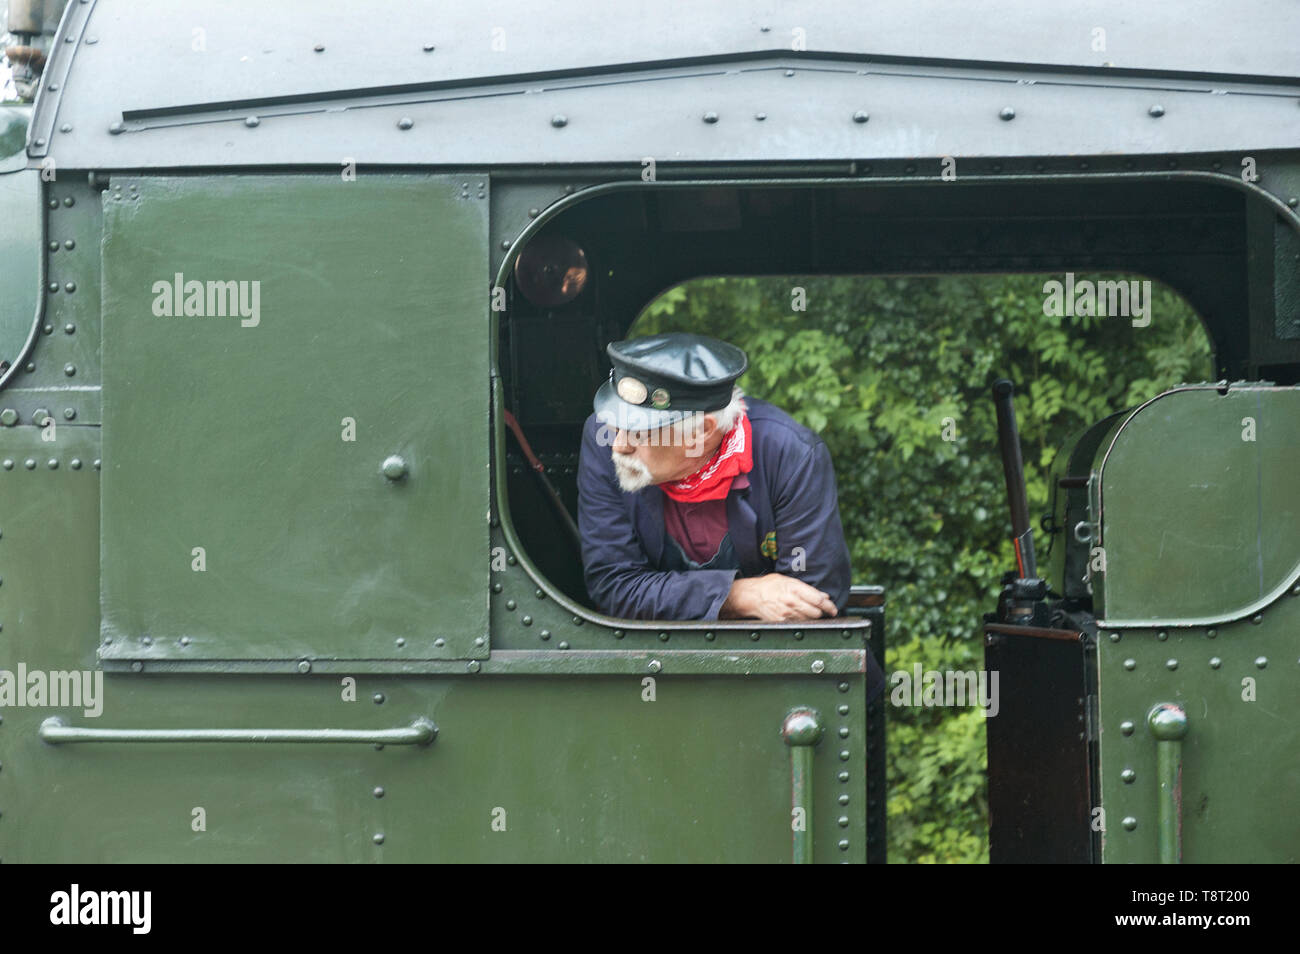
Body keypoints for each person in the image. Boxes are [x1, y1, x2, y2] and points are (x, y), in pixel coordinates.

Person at [577, 332, 854, 623]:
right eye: (616, 423)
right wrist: (737, 596)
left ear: (702, 431)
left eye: (639, 431)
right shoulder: (603, 440)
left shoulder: (791, 453)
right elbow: (613, 587)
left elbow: (813, 600)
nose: (619, 445)